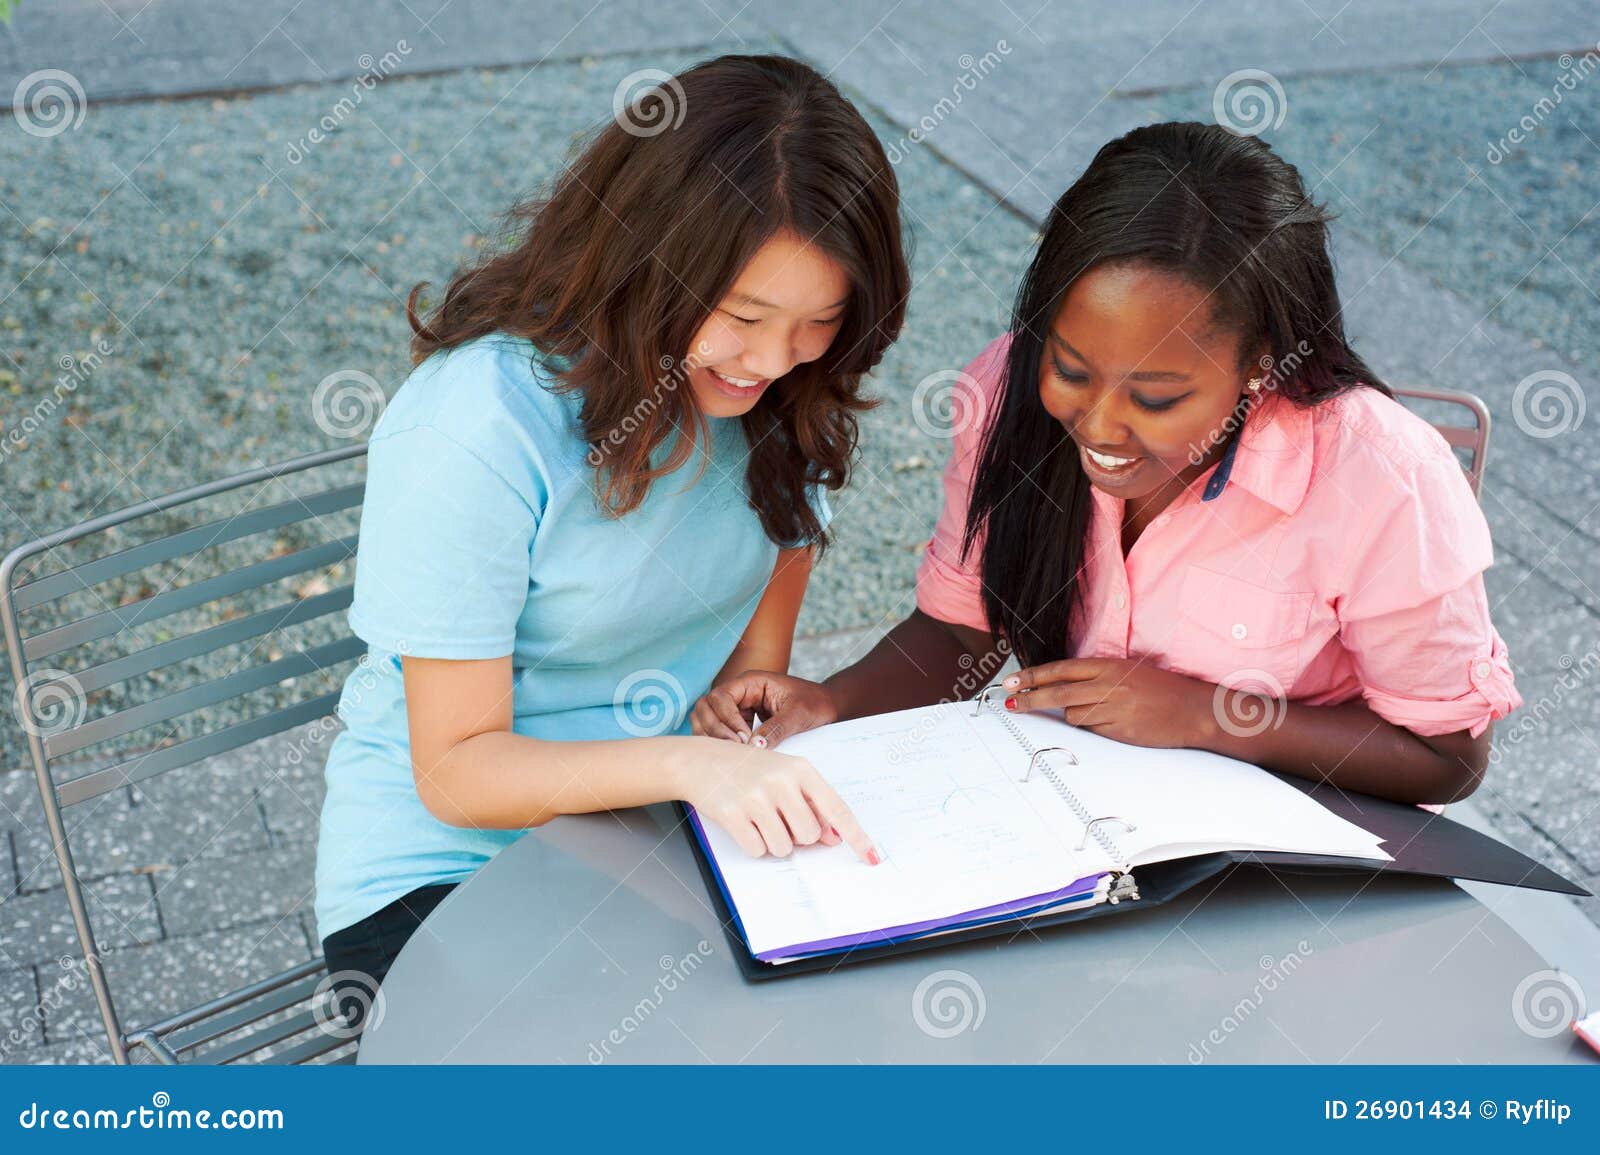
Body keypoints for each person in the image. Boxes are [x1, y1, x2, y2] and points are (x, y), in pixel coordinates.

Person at [313, 53, 907, 1033]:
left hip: (655, 844)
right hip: (442, 876)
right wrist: (689, 769)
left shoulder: (784, 400)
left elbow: (739, 700)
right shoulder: (482, 419)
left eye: (817, 324)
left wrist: (745, 735)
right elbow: (457, 771)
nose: (770, 361)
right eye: (743, 318)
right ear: (646, 263)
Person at [695, 121, 1521, 809]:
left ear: (1263, 364)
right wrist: (832, 702)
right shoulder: (1004, 393)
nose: (1097, 425)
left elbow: (1447, 755)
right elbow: (960, 631)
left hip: (1297, 853)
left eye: (1157, 397)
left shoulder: (1382, 478)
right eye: (1071, 369)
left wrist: (1213, 717)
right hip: (1079, 821)